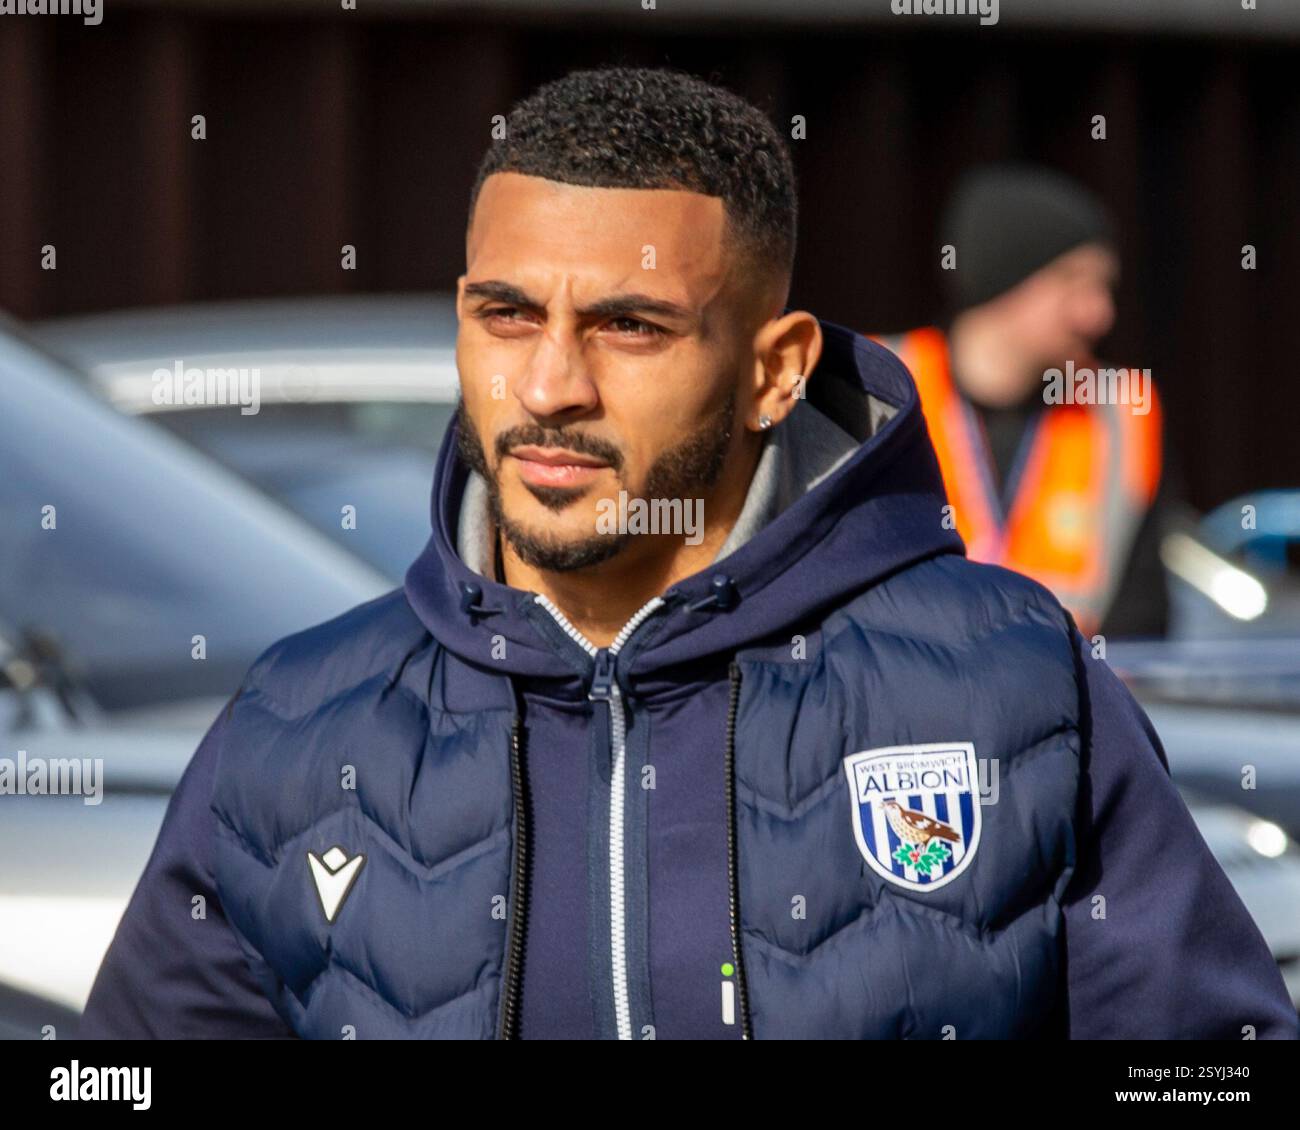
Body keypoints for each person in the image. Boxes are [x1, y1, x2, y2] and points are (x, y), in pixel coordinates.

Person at [79, 67, 1295, 1040]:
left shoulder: (1015, 688)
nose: (549, 386)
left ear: (773, 370)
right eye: (506, 313)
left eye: (629, 326)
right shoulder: (296, 727)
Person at [876, 165, 1174, 639]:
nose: (1100, 313)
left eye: (1104, 287)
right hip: (900, 701)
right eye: (1074, 282)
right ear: (1005, 279)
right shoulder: (878, 384)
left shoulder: (1119, 410)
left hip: (1071, 701)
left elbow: (1142, 622)